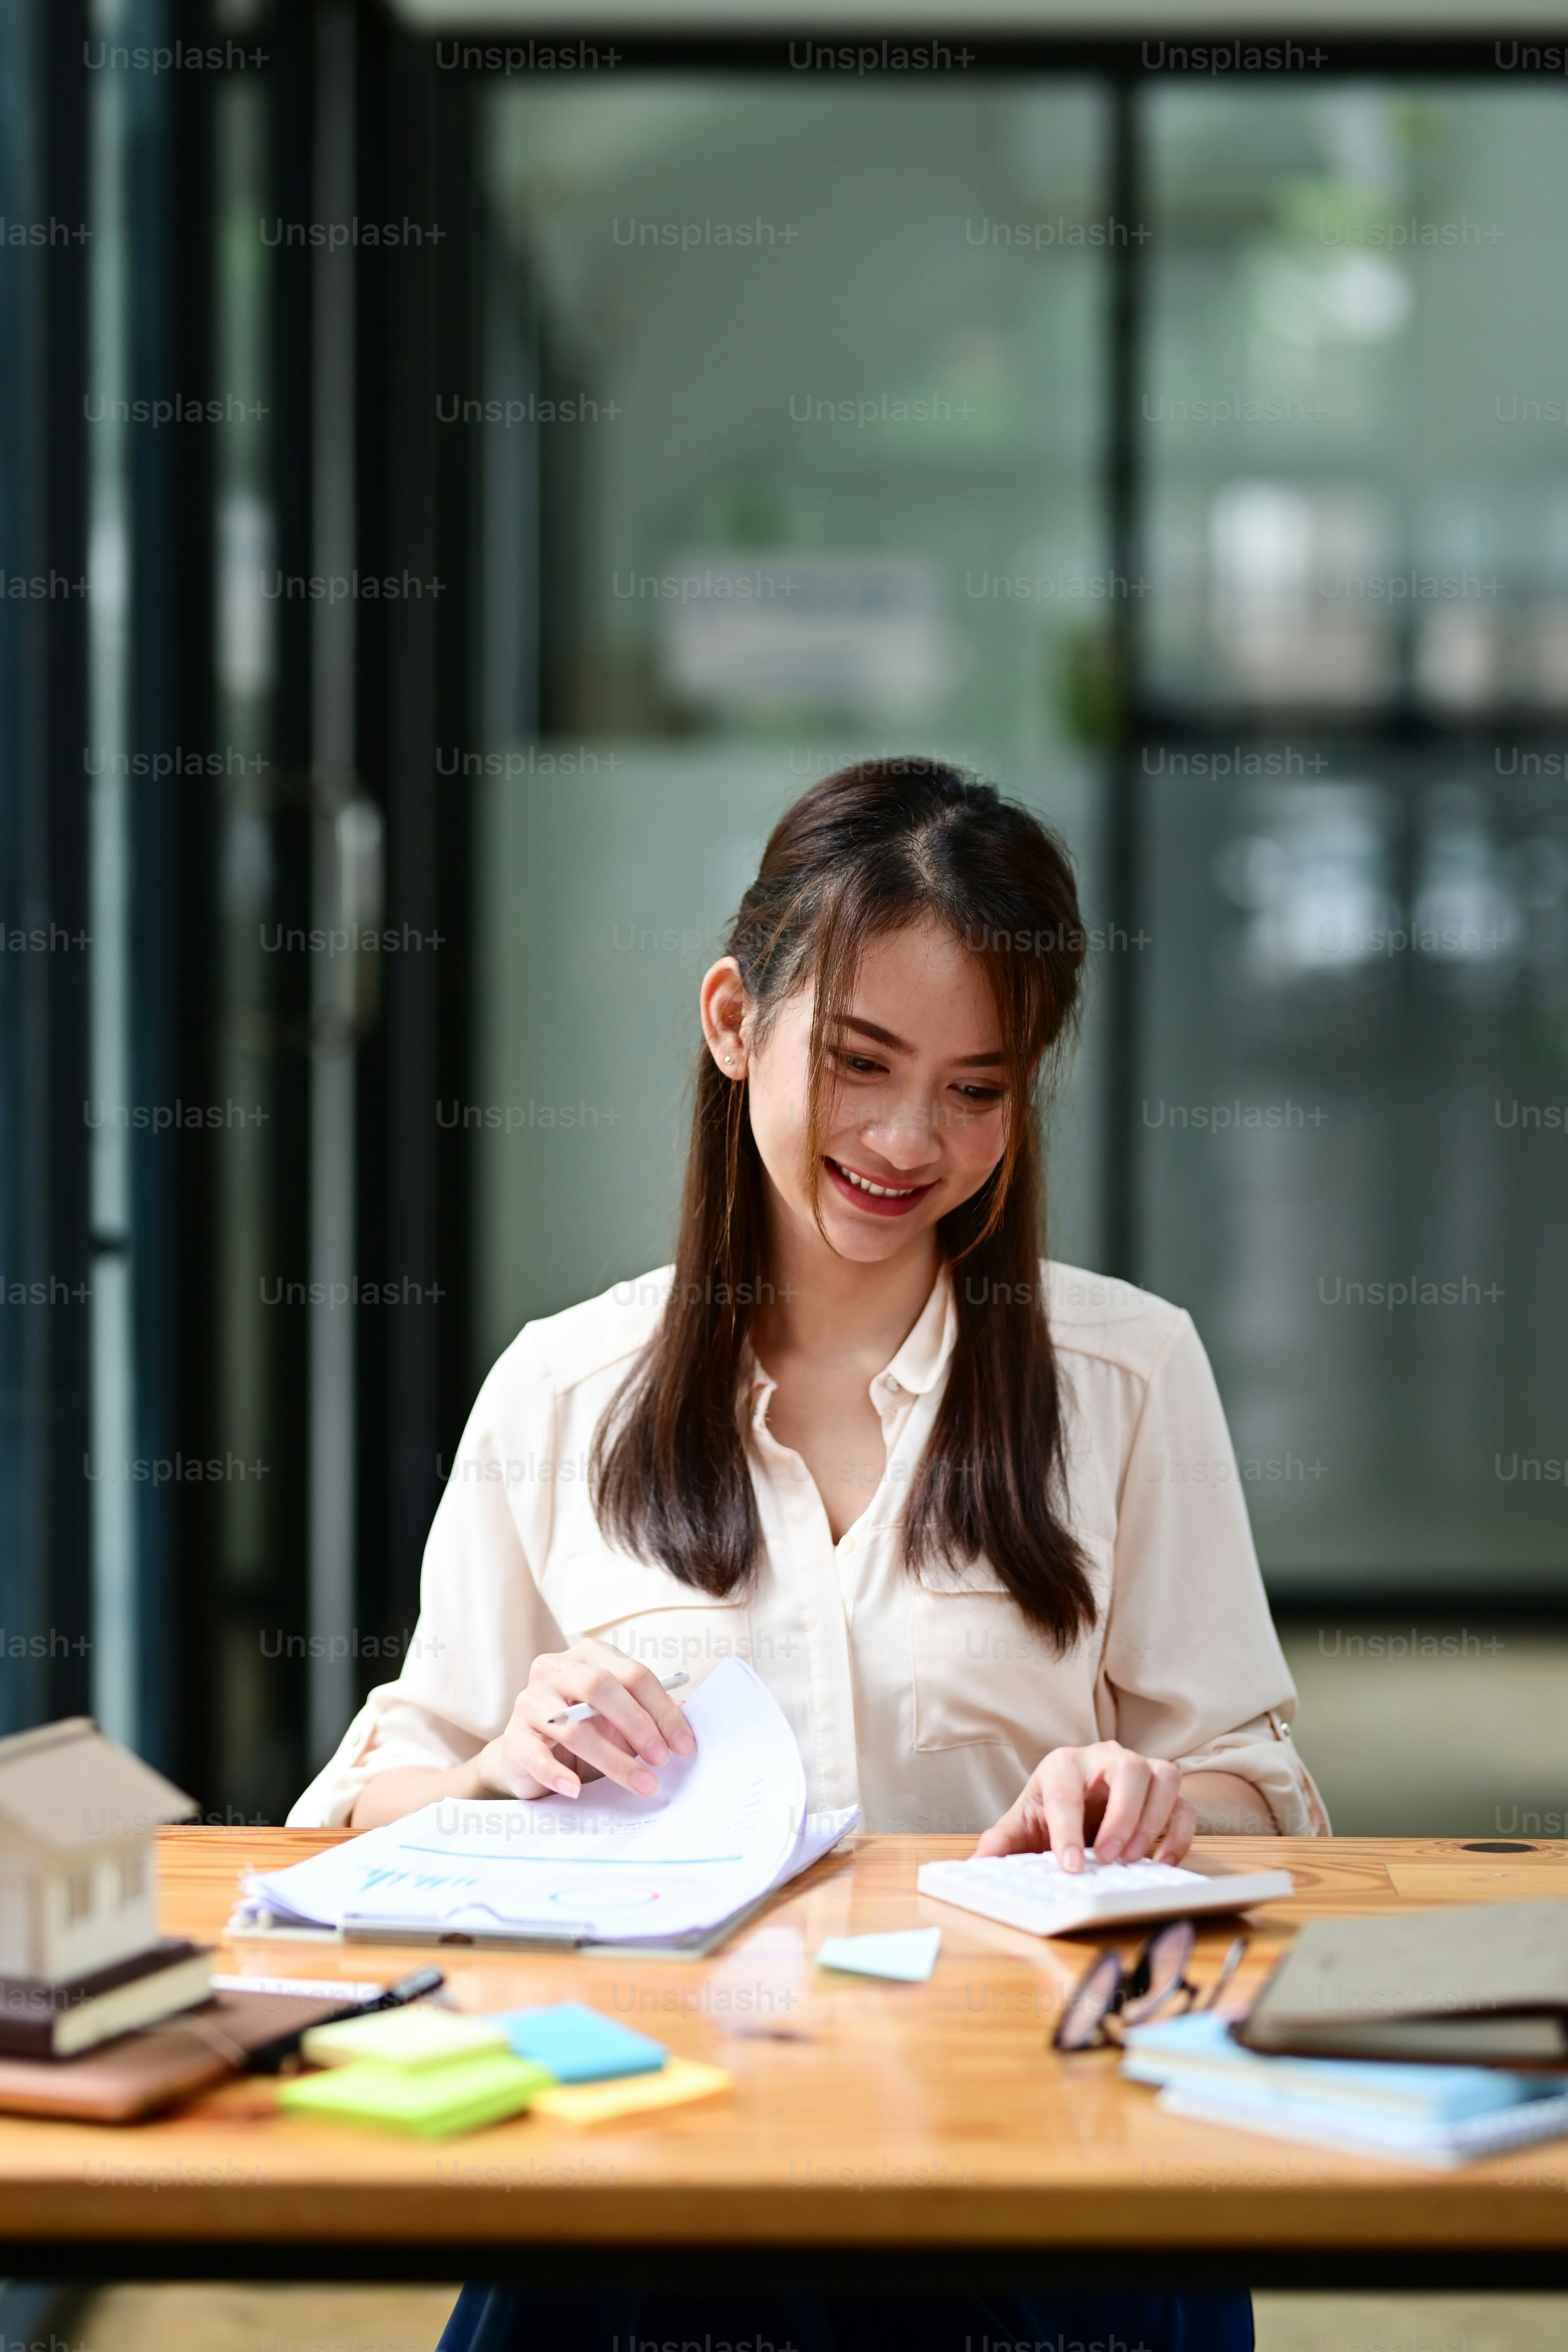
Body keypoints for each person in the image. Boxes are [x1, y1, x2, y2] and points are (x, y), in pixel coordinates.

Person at [292, 759, 1326, 2352]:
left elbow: (1266, 1791)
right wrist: (503, 1761)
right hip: (656, 2150)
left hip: (1030, 2148)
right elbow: (361, 1816)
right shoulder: (565, 1387)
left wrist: (1153, 1800)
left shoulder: (1128, 1374)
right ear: (732, 1019)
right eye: (861, 1061)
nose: (911, 1138)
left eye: (979, 1086)